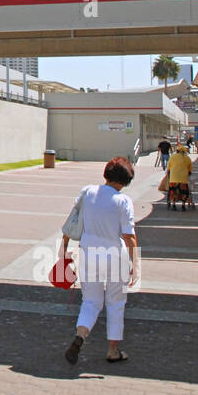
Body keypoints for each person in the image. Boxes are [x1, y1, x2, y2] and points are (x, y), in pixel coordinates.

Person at [62, 156, 139, 364]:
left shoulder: (87, 192)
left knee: (90, 301)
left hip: (88, 253)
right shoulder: (122, 201)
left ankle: (80, 335)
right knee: (115, 303)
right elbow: (129, 236)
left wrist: (64, 246)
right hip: (115, 255)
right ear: (125, 181)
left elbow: (72, 220)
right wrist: (135, 263)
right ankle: (113, 350)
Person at [167, 144, 194, 209]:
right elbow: (190, 169)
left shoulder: (172, 157)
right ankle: (183, 205)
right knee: (184, 191)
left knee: (173, 191)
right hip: (183, 178)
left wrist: (168, 174)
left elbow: (168, 168)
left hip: (173, 177)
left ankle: (173, 204)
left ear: (177, 151)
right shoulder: (187, 158)